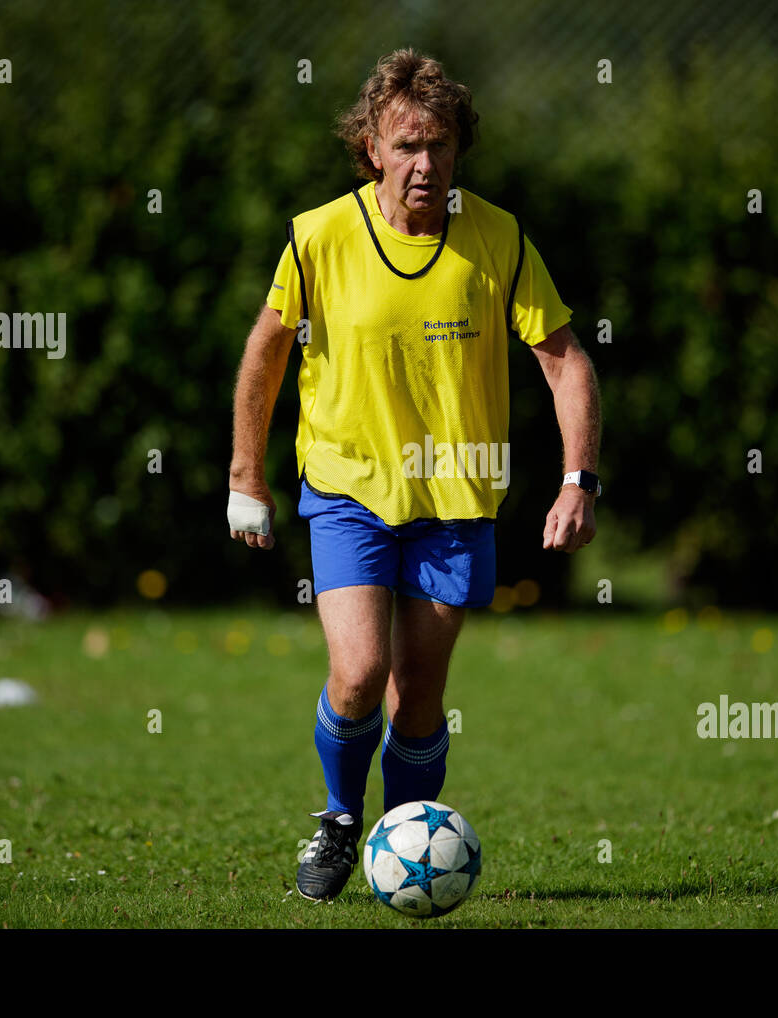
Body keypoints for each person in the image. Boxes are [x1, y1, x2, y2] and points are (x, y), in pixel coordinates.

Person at [227, 48, 602, 901]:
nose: (423, 164)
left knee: (418, 695)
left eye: (438, 145)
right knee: (357, 673)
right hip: (348, 485)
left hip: (455, 494)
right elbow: (267, 351)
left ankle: (402, 855)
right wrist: (246, 473)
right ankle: (337, 820)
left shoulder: (498, 237)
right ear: (371, 149)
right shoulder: (320, 236)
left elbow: (564, 358)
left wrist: (578, 478)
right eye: (405, 146)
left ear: (458, 148)